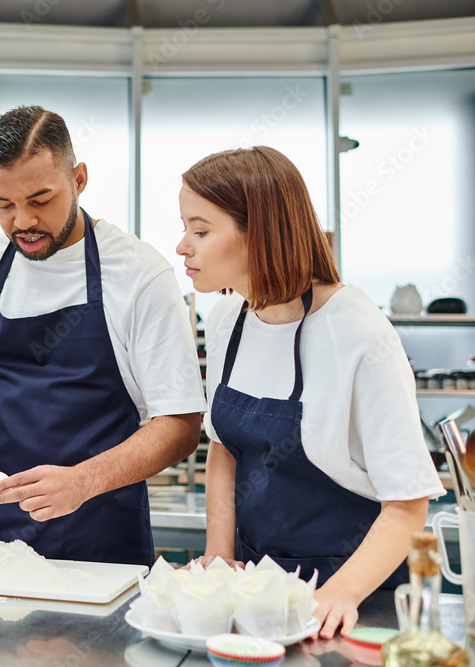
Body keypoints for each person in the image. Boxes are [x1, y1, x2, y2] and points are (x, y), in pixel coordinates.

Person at [176, 146, 444, 637]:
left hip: (361, 592)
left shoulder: (357, 330)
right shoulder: (225, 321)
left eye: (200, 230)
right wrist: (219, 557)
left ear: (258, 234)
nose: (182, 247)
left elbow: (408, 502)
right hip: (264, 585)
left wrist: (340, 592)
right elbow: (223, 448)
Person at [0, 106, 205, 566]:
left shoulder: (139, 274)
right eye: (4, 205)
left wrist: (83, 481)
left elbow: (180, 425)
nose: (22, 222)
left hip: (100, 541)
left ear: (80, 178)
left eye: (40, 199)